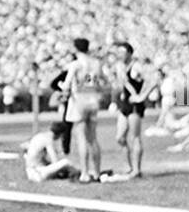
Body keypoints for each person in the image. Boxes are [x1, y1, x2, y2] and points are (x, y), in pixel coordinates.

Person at [61, 36, 107, 183]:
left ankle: (85, 173)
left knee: (81, 137)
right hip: (93, 99)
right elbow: (103, 81)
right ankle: (97, 172)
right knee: (93, 138)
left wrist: (64, 92)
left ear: (75, 48)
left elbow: (67, 85)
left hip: (79, 100)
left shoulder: (76, 64)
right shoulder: (96, 63)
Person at [113, 41, 157, 178]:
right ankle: (128, 167)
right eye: (118, 52)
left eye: (122, 52)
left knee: (135, 137)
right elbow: (124, 84)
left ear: (129, 53)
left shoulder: (136, 67)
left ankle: (136, 170)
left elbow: (153, 81)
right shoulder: (120, 66)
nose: (119, 55)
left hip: (134, 105)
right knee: (120, 137)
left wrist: (141, 96)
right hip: (125, 104)